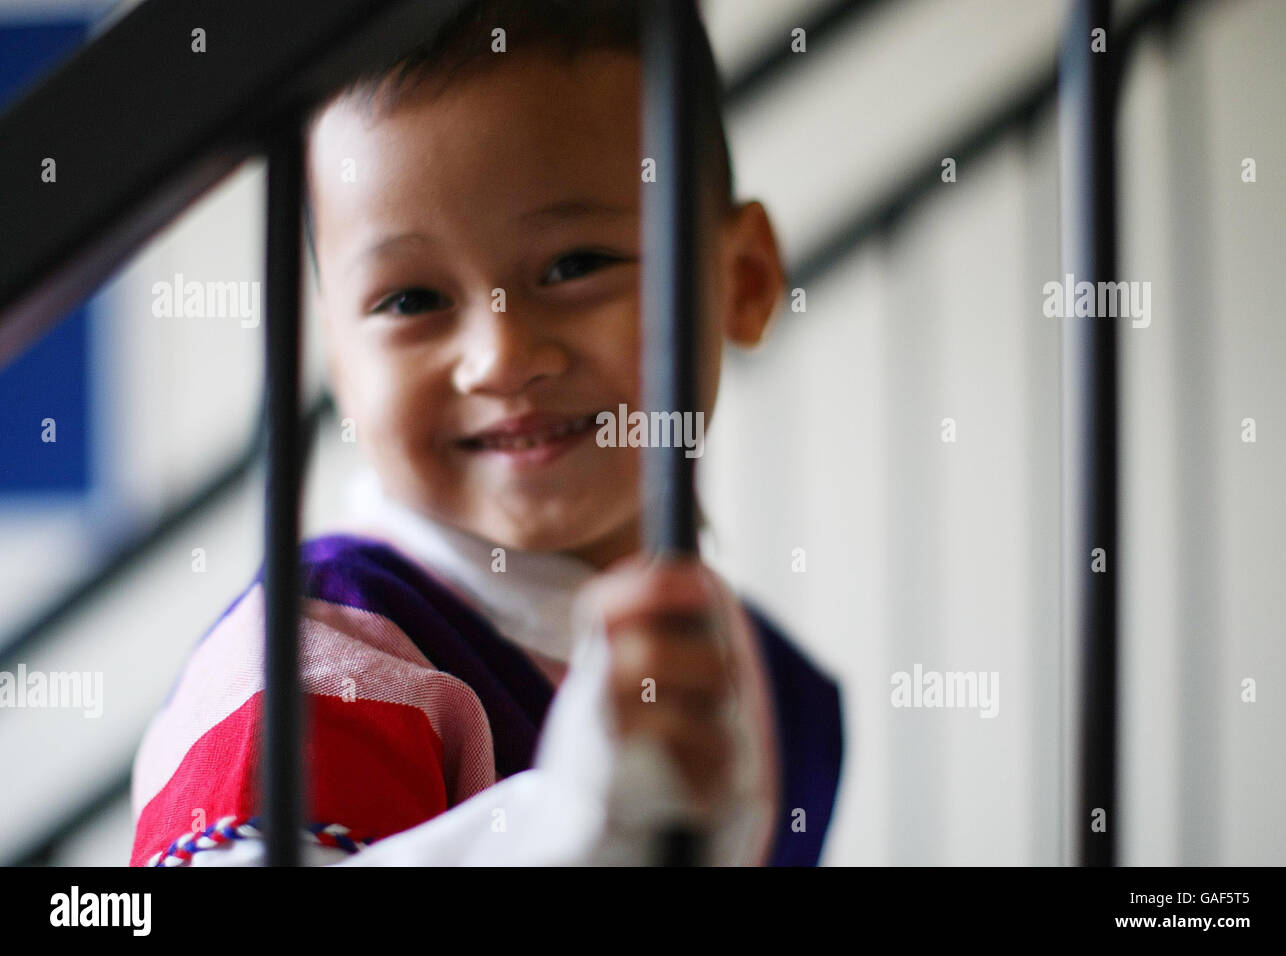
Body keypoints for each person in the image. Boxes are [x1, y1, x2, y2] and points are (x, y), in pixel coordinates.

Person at [129, 0, 841, 867]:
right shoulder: (319, 652)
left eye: (575, 265)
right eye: (411, 300)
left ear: (747, 280)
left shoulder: (780, 696)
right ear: (336, 357)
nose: (500, 358)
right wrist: (575, 824)